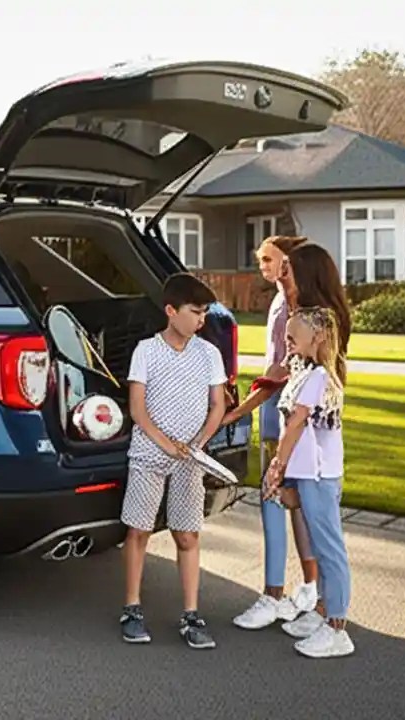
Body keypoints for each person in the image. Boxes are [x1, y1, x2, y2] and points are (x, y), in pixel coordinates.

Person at [119, 273, 226, 650]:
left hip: (189, 459)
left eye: (205, 313)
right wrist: (164, 442)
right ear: (171, 311)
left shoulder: (208, 353)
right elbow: (137, 408)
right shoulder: (146, 351)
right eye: (195, 312)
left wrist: (199, 441)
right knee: (139, 530)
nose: (202, 320)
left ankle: (191, 614)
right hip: (149, 453)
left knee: (187, 533)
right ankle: (132, 609)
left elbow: (218, 405)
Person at [228, 236, 320, 631]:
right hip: (275, 413)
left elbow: (280, 372)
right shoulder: (280, 302)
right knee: (292, 502)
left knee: (279, 499)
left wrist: (234, 413)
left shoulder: (302, 309)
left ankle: (274, 596)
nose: (264, 265)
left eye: (270, 259)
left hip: (289, 416)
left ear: (289, 260)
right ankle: (311, 592)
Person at [262, 306, 354, 658]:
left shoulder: (318, 377)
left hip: (319, 476)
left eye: (292, 337)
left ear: (316, 337)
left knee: (330, 550)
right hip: (308, 476)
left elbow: (297, 423)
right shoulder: (308, 373)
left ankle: (337, 628)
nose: (287, 342)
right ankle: (323, 614)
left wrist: (277, 465)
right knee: (321, 545)